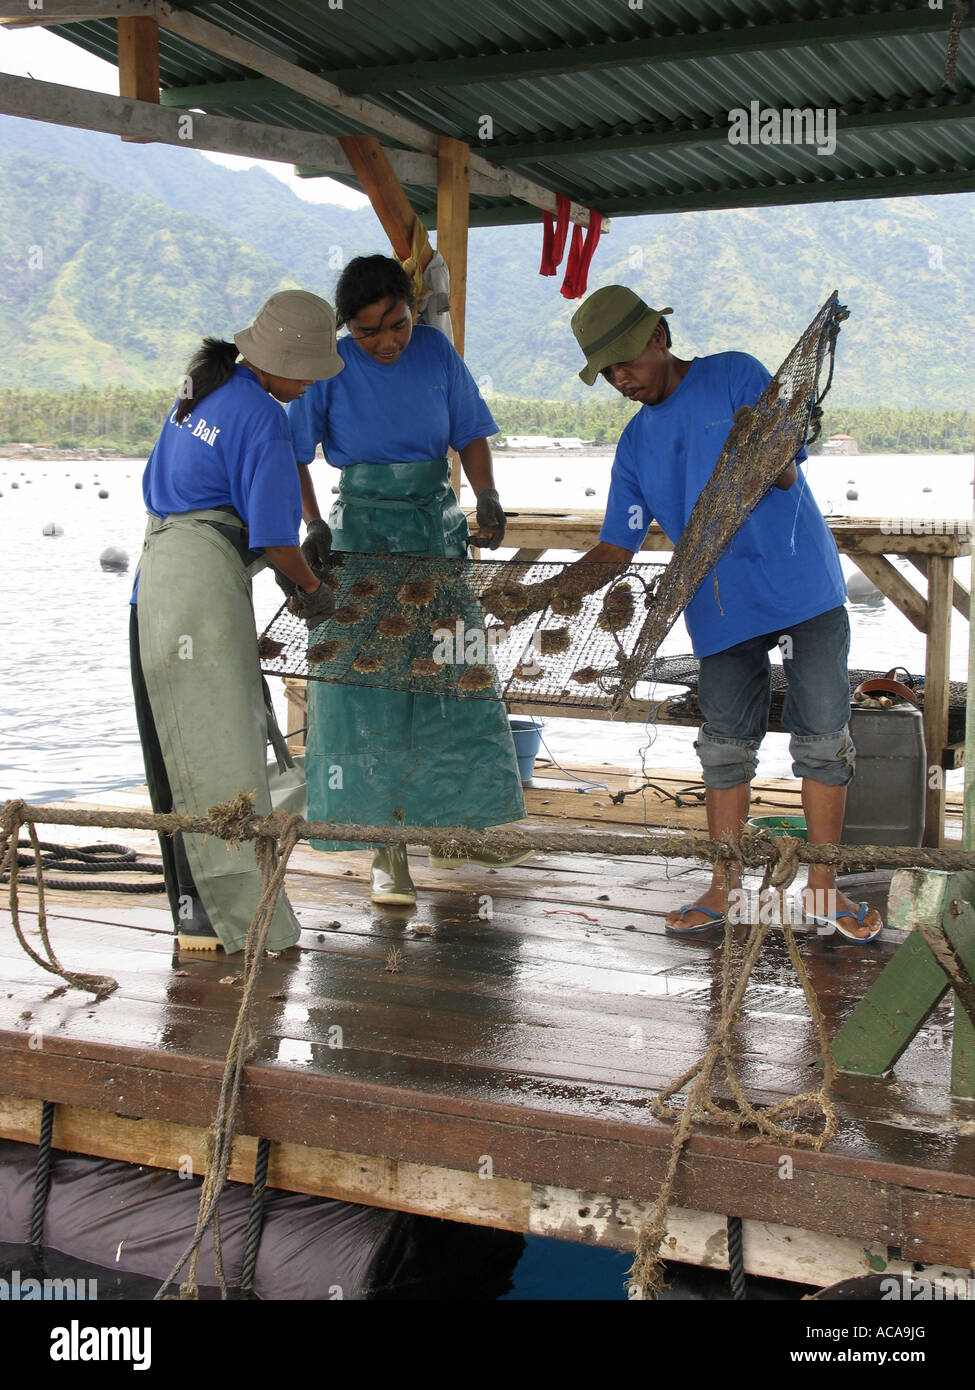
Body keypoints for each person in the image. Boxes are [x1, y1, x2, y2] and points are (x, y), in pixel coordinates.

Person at [567, 285, 882, 943]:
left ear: (658, 336)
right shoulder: (633, 445)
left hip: (801, 587)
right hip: (717, 604)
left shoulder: (733, 374)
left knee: (822, 739)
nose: (620, 379)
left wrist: (766, 454)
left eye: (626, 360)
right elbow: (615, 543)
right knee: (723, 746)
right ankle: (723, 886)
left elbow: (788, 465)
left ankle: (822, 889)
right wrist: (556, 589)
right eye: (607, 372)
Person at [287, 254, 527, 907]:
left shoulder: (435, 352)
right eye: (369, 332)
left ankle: (461, 826)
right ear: (347, 330)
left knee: (455, 676)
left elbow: (471, 432)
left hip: (435, 534)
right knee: (371, 691)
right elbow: (292, 456)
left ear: (409, 311)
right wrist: (313, 526)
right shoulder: (330, 369)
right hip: (360, 540)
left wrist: (486, 496)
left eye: (395, 324)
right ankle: (386, 852)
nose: (387, 341)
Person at [130, 290, 342, 952]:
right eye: (307, 371)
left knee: (175, 754)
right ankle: (245, 925)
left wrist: (283, 559)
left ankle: (193, 911)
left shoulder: (206, 385)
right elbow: (277, 538)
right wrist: (310, 587)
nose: (309, 383)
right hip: (195, 592)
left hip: (153, 587)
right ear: (281, 361)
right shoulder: (259, 416)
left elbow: (211, 501)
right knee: (221, 761)